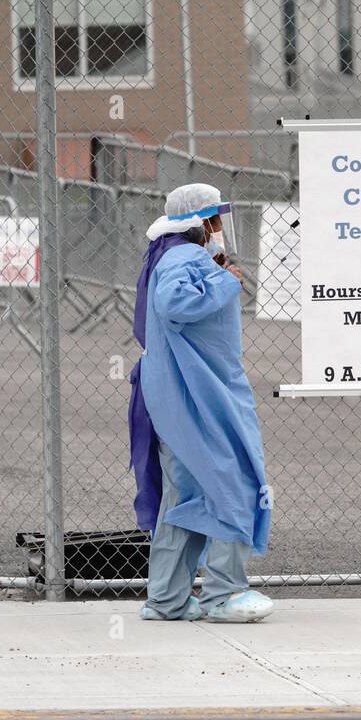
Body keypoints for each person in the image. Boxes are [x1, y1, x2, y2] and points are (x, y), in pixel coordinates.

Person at [127, 183, 274, 622]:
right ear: (204, 222)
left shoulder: (172, 256)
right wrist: (223, 282)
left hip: (183, 397)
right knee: (233, 484)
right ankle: (224, 593)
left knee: (185, 493)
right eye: (217, 220)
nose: (220, 228)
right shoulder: (185, 258)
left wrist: (215, 274)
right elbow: (174, 303)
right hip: (200, 398)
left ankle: (168, 600)